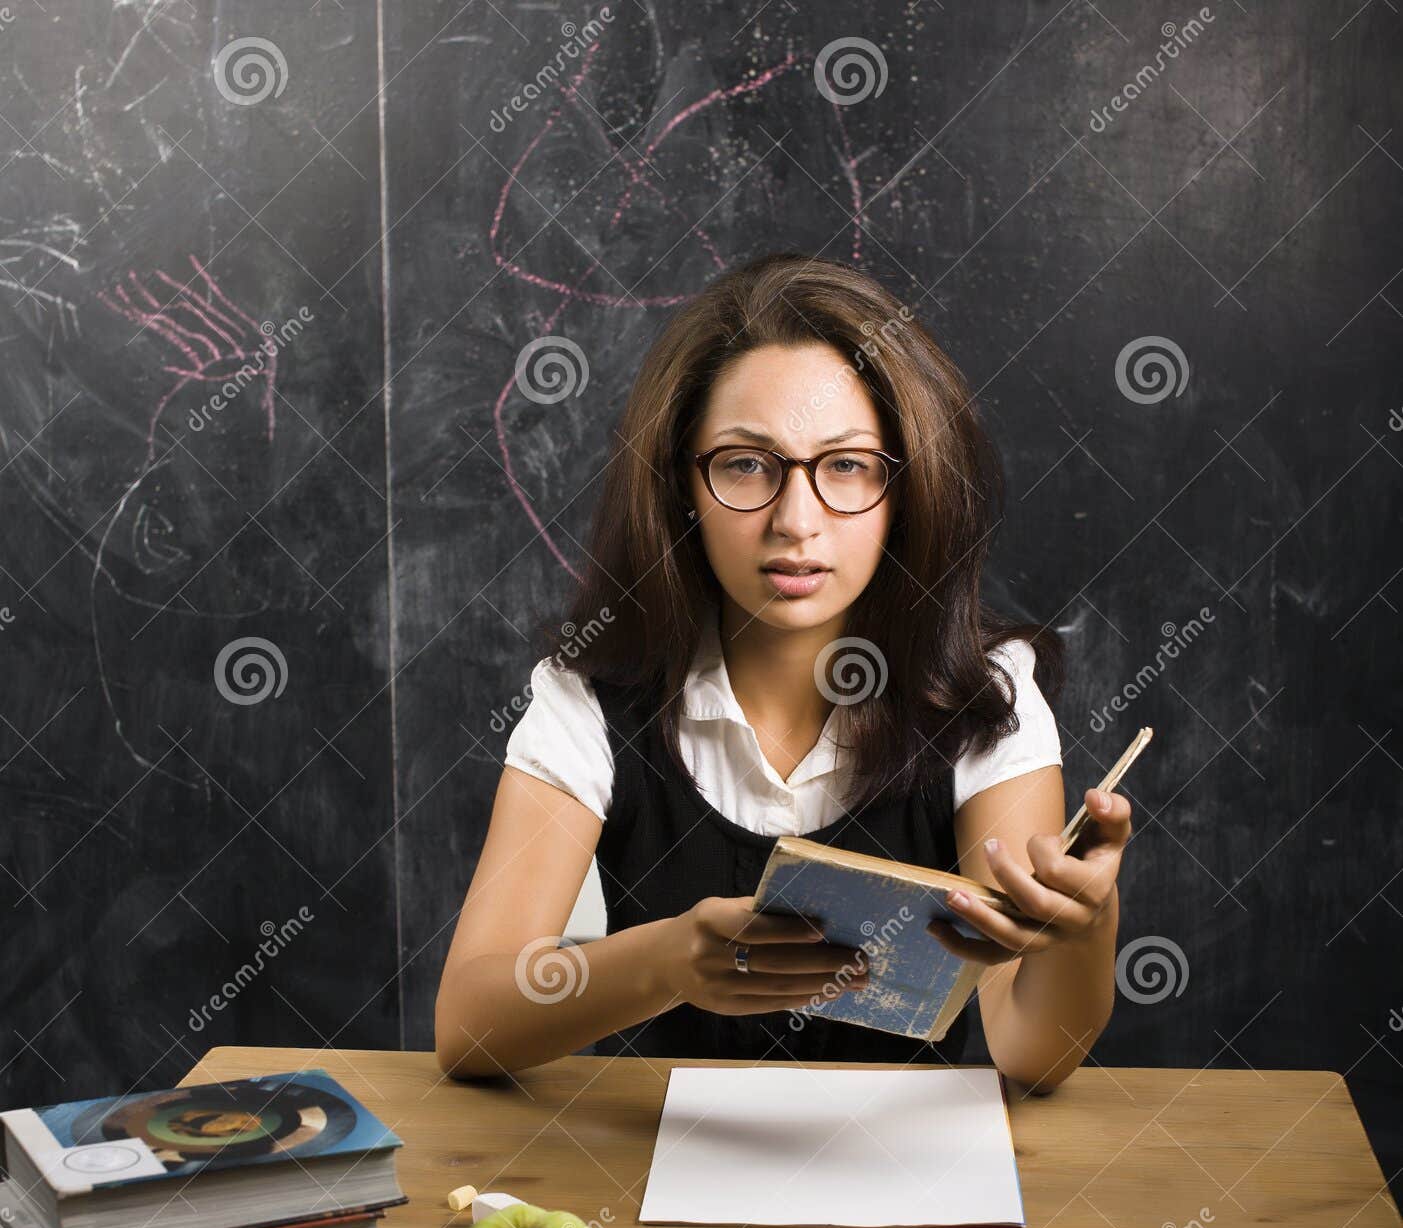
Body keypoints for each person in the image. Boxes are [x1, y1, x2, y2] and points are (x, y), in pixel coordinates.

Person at [436, 253, 1131, 1090]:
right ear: (681, 487)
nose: (795, 522)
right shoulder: (589, 700)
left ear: (905, 488)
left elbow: (1031, 1053)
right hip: (652, 1178)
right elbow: (467, 1027)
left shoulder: (986, 693)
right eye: (744, 464)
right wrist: (664, 962)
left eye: (845, 466)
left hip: (909, 1181)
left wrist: (1085, 925)